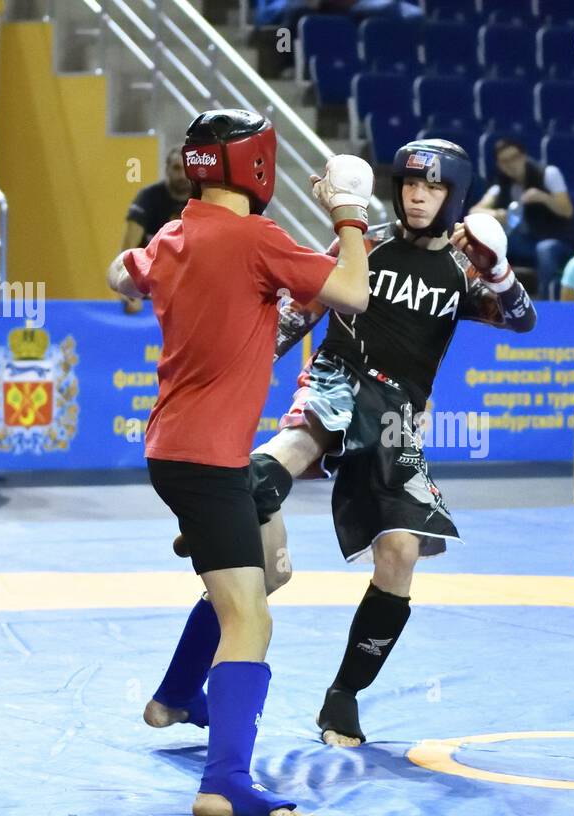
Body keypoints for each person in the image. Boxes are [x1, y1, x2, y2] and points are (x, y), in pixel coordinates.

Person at [168, 138, 537, 748]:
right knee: (294, 445)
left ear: (455, 194)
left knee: (400, 553)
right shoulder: (364, 243)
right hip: (339, 378)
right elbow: (295, 314)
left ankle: (344, 695)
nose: (418, 196)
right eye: (410, 183)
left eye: (434, 186)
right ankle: (220, 503)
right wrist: (230, 368)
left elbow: (521, 319)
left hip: (395, 414)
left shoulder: (466, 264)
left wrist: (500, 268)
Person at [109, 108, 372, 816]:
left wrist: (151, 280)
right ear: (257, 166)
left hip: (177, 450)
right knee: (250, 621)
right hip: (207, 460)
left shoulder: (172, 233)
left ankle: (176, 697)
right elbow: (353, 292)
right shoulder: (258, 238)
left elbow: (119, 275)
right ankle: (224, 783)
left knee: (270, 572)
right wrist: (349, 211)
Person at [469, 138, 574, 299]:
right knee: (486, 243)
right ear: (499, 165)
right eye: (505, 161)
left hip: (556, 238)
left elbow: (567, 211)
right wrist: (496, 214)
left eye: (515, 157)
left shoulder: (548, 173)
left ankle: (544, 298)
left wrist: (544, 198)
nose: (511, 164)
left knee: (545, 249)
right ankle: (487, 296)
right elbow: (474, 211)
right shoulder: (501, 184)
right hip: (525, 240)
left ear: (524, 156)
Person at [119, 147, 192, 314]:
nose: (181, 175)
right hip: (149, 292)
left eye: (186, 169)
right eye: (176, 168)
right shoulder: (148, 197)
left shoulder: (203, 197)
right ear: (166, 170)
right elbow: (127, 249)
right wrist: (129, 292)